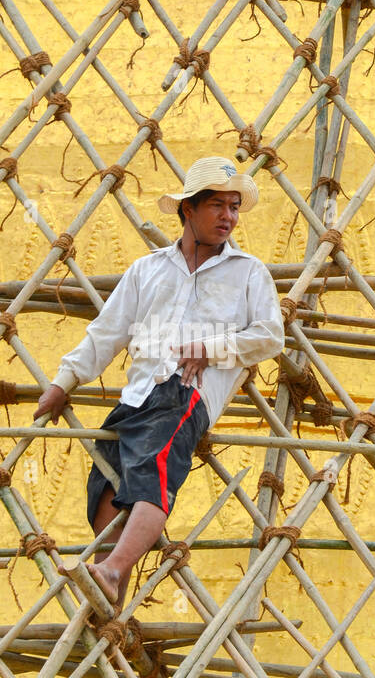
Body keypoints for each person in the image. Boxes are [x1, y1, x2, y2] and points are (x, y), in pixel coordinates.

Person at [34, 156, 285, 607]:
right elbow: (107, 333)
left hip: (185, 392)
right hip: (137, 395)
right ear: (188, 209)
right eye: (217, 206)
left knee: (153, 476)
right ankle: (111, 602)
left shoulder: (249, 272)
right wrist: (63, 382)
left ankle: (111, 572)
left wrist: (210, 349)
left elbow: (270, 336)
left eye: (234, 207)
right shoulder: (147, 270)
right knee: (107, 493)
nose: (229, 217)